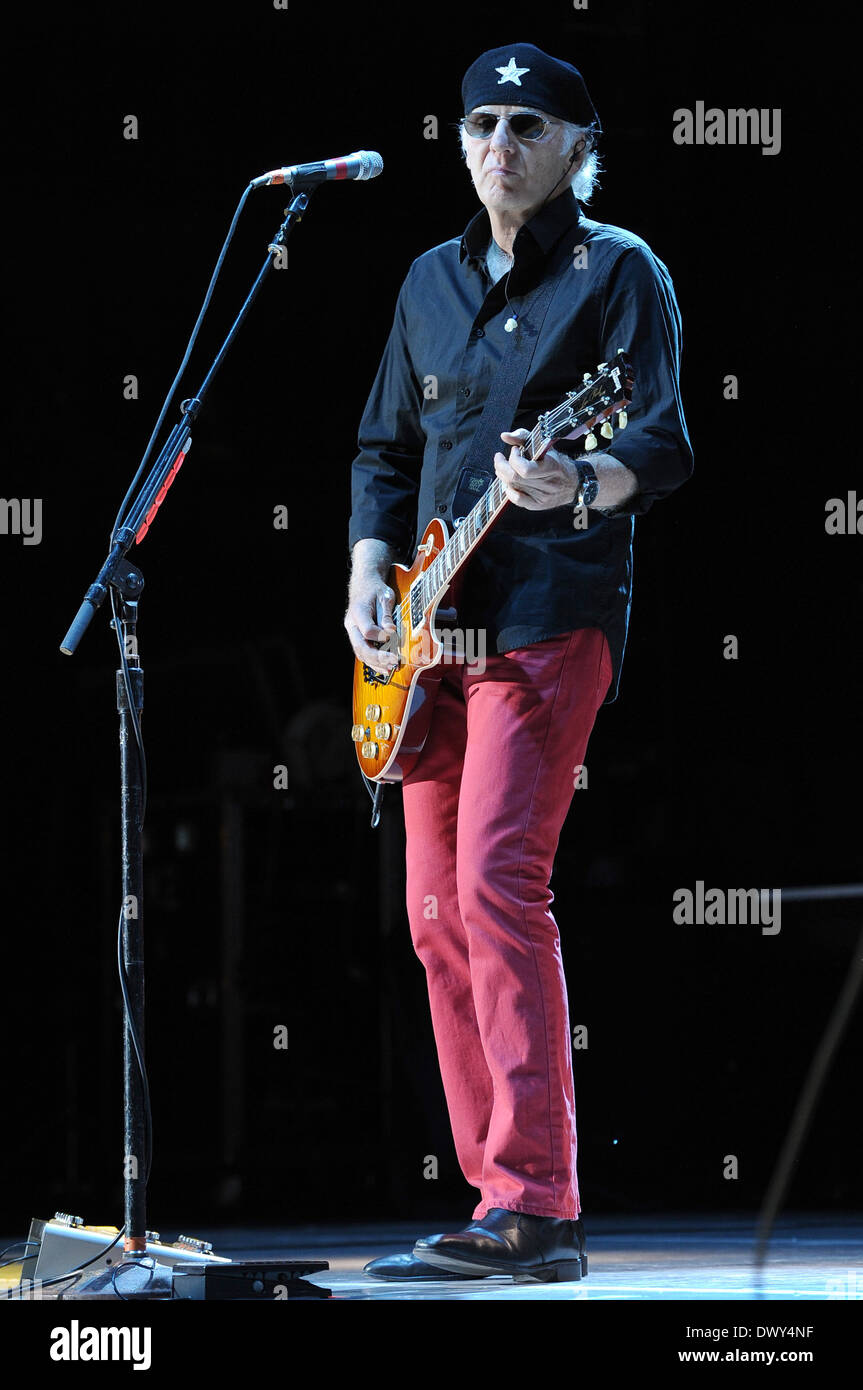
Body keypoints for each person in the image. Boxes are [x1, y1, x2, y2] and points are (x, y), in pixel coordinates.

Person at [344, 41, 693, 1283]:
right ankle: (492, 1193)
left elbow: (657, 440)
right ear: (457, 140)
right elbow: (382, 451)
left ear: (574, 151)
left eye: (528, 127)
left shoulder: (619, 272)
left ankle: (540, 1205)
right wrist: (364, 583)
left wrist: (575, 481)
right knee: (431, 916)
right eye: (482, 123)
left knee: (496, 882)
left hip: (549, 612)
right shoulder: (428, 280)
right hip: (430, 635)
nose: (501, 144)